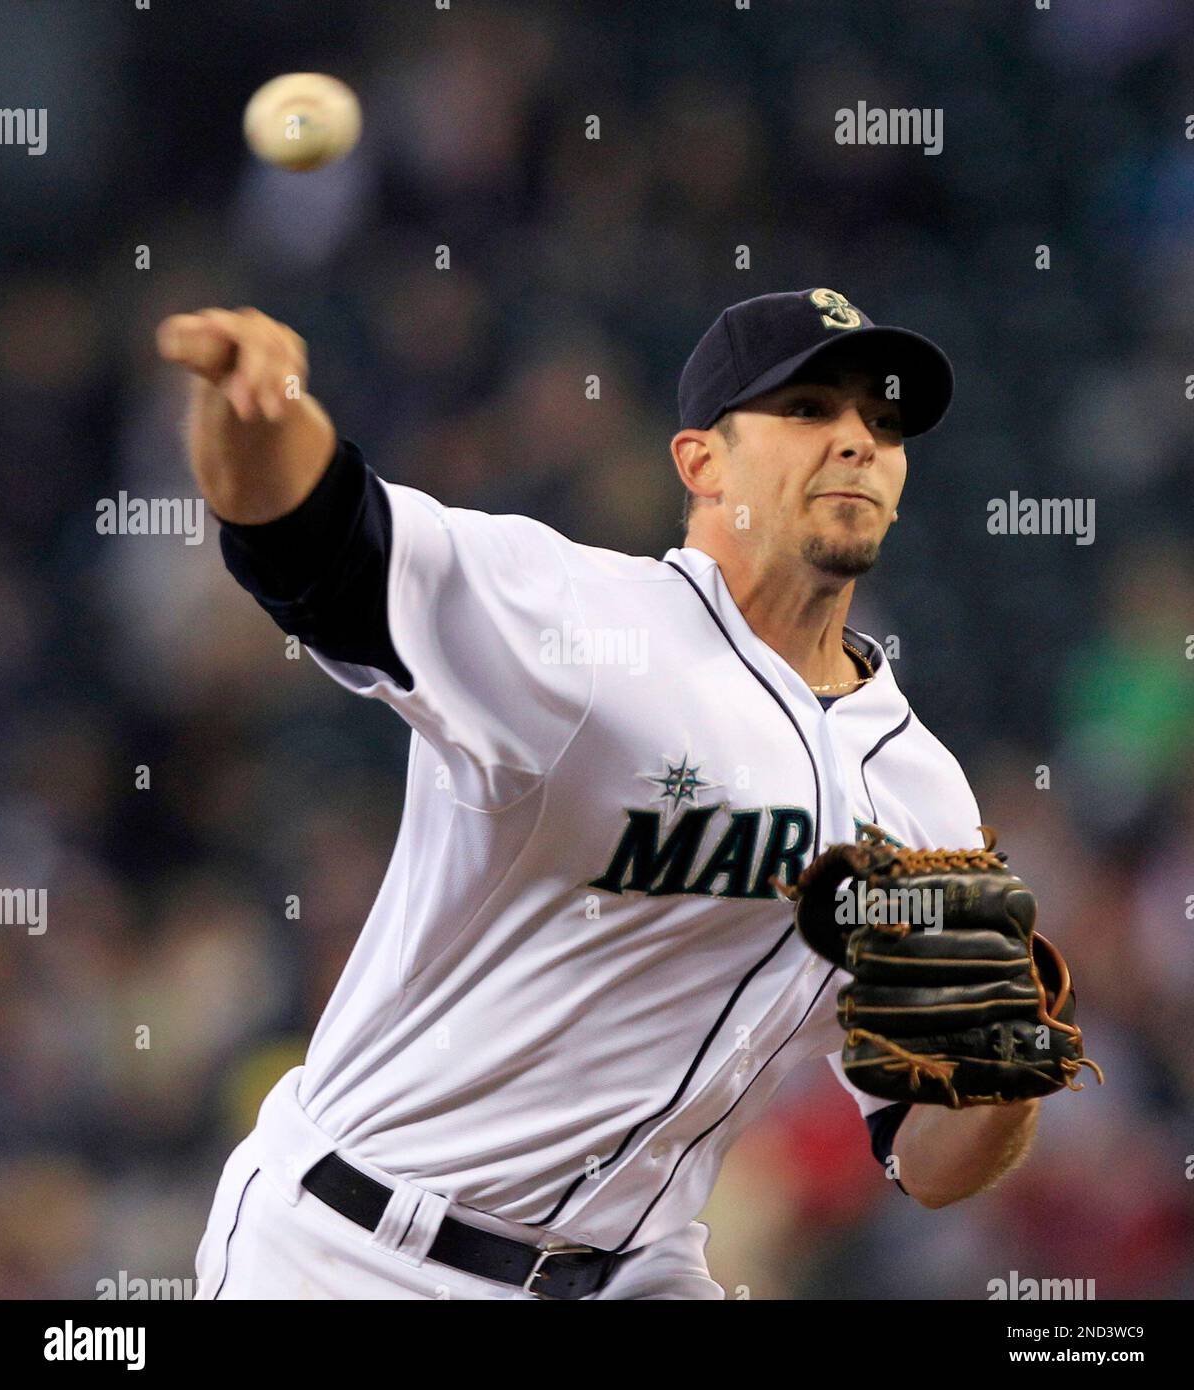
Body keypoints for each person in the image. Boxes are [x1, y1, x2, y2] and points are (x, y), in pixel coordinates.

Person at [157, 288, 1040, 1300]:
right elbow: (315, 537)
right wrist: (255, 414)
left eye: (883, 423)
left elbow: (926, 1160)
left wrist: (1010, 1068)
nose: (857, 441)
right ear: (701, 461)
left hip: (638, 1274)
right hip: (360, 1248)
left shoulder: (926, 792)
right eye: (807, 410)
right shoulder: (580, 621)